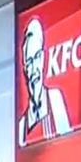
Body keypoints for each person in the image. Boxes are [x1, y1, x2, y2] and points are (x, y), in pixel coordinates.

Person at [17, 17, 72, 147]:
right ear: (24, 69)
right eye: (29, 62)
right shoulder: (21, 127)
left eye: (37, 57)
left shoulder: (55, 100)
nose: (34, 69)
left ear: (43, 58)